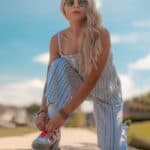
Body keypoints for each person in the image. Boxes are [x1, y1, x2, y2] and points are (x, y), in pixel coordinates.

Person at [34, 0, 128, 150]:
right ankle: (51, 135)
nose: (76, 5)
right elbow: (51, 78)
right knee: (57, 66)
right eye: (70, 2)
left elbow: (92, 80)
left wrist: (64, 114)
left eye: (81, 2)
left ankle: (119, 132)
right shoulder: (56, 40)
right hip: (77, 84)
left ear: (89, 6)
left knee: (111, 147)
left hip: (106, 93)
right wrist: (43, 111)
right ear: (64, 8)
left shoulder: (102, 34)